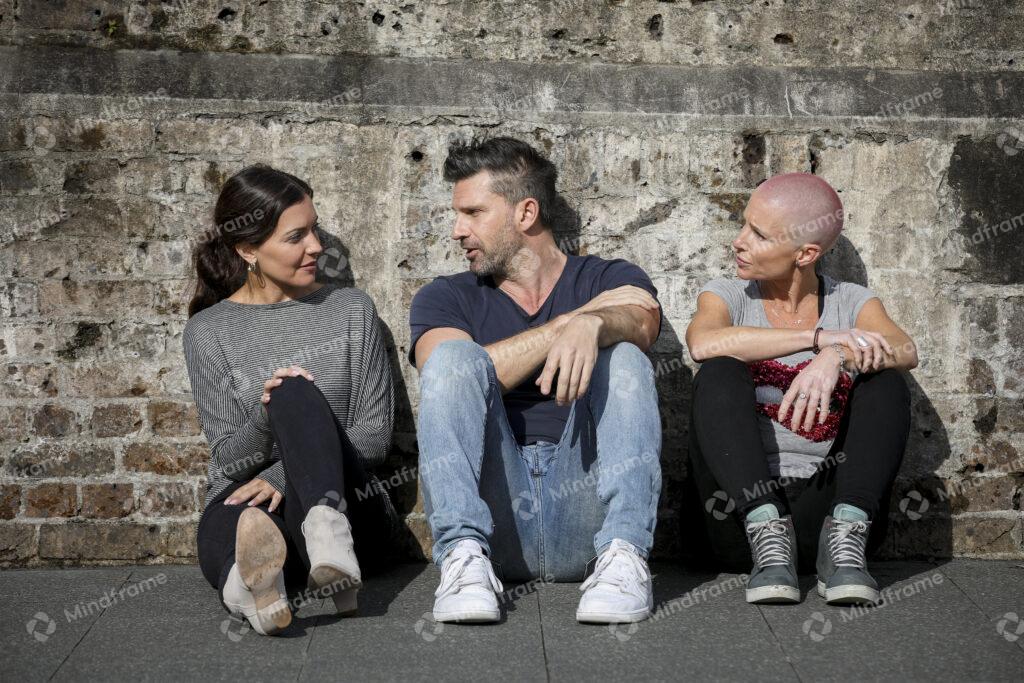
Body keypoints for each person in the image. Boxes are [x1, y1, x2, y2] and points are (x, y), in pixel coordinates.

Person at [409, 137, 664, 625]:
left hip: (586, 508)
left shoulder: (605, 276)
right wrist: (564, 328)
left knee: (625, 356)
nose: (457, 230)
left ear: (525, 213)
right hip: (496, 513)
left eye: (473, 212)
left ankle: (625, 556)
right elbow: (451, 374)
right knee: (453, 360)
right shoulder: (444, 297)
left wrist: (595, 323)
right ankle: (461, 559)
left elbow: (643, 321)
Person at [685, 172, 918, 606]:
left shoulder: (852, 301)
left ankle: (847, 536)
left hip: (826, 521)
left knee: (886, 380)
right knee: (718, 370)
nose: (738, 241)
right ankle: (767, 531)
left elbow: (904, 349)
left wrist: (838, 356)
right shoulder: (727, 296)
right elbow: (703, 343)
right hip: (736, 520)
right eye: (743, 225)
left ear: (805, 253)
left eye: (758, 234)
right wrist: (820, 339)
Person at [183, 165, 397, 635]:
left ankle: (328, 539)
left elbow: (375, 437)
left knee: (292, 388)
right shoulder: (208, 331)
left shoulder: (351, 310)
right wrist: (264, 420)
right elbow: (228, 457)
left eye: (314, 229)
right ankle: (250, 587)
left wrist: (287, 473)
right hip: (252, 503)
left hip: (350, 505)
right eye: (296, 236)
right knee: (236, 524)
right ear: (247, 250)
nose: (316, 246)